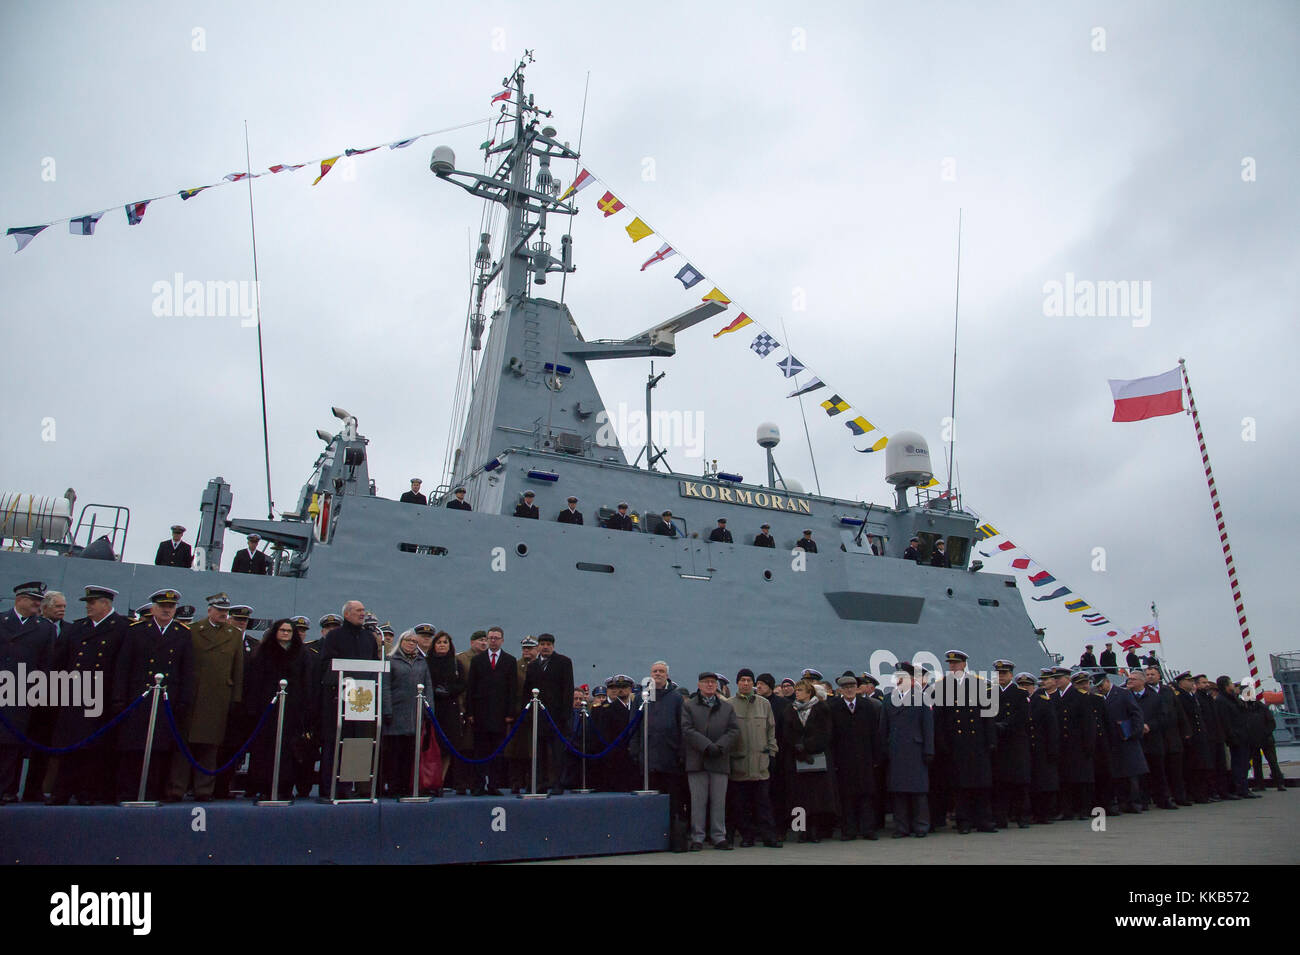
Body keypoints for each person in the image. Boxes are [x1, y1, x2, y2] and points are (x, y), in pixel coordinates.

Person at [112, 589, 196, 802]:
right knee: (132, 748)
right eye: (162, 607)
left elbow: (187, 670)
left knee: (160, 749)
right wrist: (119, 697)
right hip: (138, 699)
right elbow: (123, 667)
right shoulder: (137, 631)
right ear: (153, 609)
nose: (167, 610)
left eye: (171, 607)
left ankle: (154, 791)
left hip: (168, 700)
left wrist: (185, 700)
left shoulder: (183, 633)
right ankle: (128, 791)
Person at [45, 586, 127, 805]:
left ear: (106, 604)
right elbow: (60, 662)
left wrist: (118, 699)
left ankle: (88, 791)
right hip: (73, 695)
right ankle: (61, 791)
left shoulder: (122, 628)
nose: (88, 606)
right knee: (69, 746)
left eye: (93, 602)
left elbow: (122, 667)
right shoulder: (77, 628)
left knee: (94, 749)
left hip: (101, 697)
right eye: (88, 602)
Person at [168, 592, 244, 801]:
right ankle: (177, 788)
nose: (222, 614)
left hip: (217, 698)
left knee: (210, 748)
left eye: (225, 611)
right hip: (193, 695)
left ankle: (204, 790)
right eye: (219, 610)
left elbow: (237, 668)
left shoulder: (234, 634)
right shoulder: (193, 631)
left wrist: (235, 698)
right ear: (209, 610)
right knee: (183, 747)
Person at [316, 600, 382, 797]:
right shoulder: (335, 636)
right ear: (347, 614)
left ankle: (350, 785)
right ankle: (330, 788)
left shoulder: (369, 638)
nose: (363, 613)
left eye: (363, 610)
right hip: (340, 698)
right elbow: (327, 663)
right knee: (335, 741)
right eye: (358, 610)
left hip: (362, 697)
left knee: (358, 741)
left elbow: (373, 664)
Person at [1, 583, 57, 801]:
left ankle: (6, 790)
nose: (37, 603)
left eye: (39, 599)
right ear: (19, 599)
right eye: (33, 599)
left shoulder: (44, 628)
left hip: (20, 694)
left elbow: (46, 663)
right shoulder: (2, 621)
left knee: (11, 744)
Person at [244, 619, 310, 800]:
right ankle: (264, 786)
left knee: (289, 751)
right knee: (266, 750)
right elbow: (256, 681)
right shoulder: (264, 652)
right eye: (282, 630)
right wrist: (253, 706)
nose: (286, 633)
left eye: (289, 630)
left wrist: (304, 708)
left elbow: (306, 682)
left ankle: (285, 787)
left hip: (292, 709)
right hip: (268, 709)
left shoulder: (301, 654)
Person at [933, 650, 996, 833]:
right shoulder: (942, 687)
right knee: (961, 787)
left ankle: (984, 820)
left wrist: (991, 740)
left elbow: (988, 716)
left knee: (981, 785)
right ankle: (964, 821)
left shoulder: (979, 684)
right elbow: (940, 720)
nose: (952, 667)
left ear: (964, 664)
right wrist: (943, 744)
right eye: (950, 664)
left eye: (956, 663)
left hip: (977, 743)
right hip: (956, 744)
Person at [681, 672, 740, 850]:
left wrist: (719, 746)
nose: (709, 685)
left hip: (719, 760)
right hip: (697, 761)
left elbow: (734, 731)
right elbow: (687, 729)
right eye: (706, 682)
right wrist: (707, 746)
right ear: (698, 685)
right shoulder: (689, 706)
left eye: (713, 683)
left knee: (718, 801)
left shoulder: (726, 707)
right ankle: (697, 837)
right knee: (698, 801)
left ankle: (718, 836)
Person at [630, 661, 688, 840]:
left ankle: (672, 836)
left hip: (670, 758)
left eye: (661, 671)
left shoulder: (676, 697)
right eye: (655, 671)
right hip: (648, 758)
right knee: (650, 800)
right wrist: (634, 749)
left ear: (667, 675)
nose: (658, 674)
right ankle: (650, 836)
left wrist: (681, 752)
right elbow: (634, 725)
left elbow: (682, 726)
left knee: (672, 801)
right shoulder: (642, 697)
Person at [879, 662, 934, 837]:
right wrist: (883, 749)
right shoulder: (888, 699)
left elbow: (928, 727)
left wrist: (929, 750)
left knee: (918, 792)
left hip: (915, 750)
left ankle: (921, 826)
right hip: (896, 750)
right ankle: (901, 827)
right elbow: (883, 727)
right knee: (898, 792)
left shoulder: (922, 698)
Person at [728, 669, 779, 848]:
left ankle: (769, 836)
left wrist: (772, 752)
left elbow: (771, 730)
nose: (746, 683)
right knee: (741, 806)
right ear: (737, 683)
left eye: (749, 680)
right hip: (739, 764)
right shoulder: (729, 704)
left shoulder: (764, 704)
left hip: (760, 764)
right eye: (742, 680)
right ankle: (747, 837)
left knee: (763, 804)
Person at [779, 678, 836, 841]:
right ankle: (801, 830)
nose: (797, 693)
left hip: (816, 757)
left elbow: (825, 733)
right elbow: (787, 733)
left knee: (816, 798)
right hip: (796, 758)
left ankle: (815, 830)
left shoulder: (821, 708)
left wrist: (808, 747)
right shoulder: (790, 710)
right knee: (799, 797)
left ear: (809, 692)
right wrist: (798, 749)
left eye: (800, 690)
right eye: (796, 690)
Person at [826, 672, 880, 840]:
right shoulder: (834, 708)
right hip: (844, 759)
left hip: (865, 758)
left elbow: (875, 733)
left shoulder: (867, 706)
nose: (849, 690)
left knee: (866, 795)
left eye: (851, 687)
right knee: (846, 797)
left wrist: (876, 757)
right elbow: (831, 736)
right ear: (840, 690)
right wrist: (833, 760)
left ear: (857, 689)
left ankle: (867, 829)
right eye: (845, 688)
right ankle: (849, 830)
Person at [465, 626, 517, 795]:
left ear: (502, 640)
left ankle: (494, 785)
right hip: (480, 714)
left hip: (500, 715)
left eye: (497, 638)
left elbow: (512, 689)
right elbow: (471, 688)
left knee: (497, 752)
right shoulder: (478, 661)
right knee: (480, 751)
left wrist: (510, 713)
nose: (493, 641)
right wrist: (470, 712)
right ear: (487, 640)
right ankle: (479, 785)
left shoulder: (509, 661)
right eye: (491, 638)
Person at [524, 632, 574, 794]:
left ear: (553, 646)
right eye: (543, 644)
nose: (545, 647)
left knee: (557, 753)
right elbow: (527, 691)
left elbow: (567, 690)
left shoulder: (564, 663)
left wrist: (566, 715)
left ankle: (558, 783)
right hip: (539, 717)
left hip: (557, 716)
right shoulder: (532, 666)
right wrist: (529, 714)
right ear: (538, 646)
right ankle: (541, 782)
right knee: (540, 752)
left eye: (548, 644)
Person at [382, 630, 427, 797]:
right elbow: (385, 687)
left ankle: (406, 786)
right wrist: (387, 709)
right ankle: (393, 786)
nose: (411, 644)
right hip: (395, 714)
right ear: (401, 642)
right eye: (408, 640)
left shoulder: (421, 662)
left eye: (414, 642)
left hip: (414, 714)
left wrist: (429, 712)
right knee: (394, 754)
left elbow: (427, 686)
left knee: (410, 755)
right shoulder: (391, 661)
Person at [1100, 671, 1148, 813]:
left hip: (1127, 739)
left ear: (1107, 681)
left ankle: (1135, 803)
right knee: (1118, 775)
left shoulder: (1123, 694)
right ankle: (1123, 802)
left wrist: (1133, 733)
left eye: (1101, 685)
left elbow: (1136, 714)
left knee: (1131, 775)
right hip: (1112, 741)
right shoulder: (1100, 697)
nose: (1100, 688)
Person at [991, 660, 1032, 829]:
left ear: (1011, 675)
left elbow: (1022, 717)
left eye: (1004, 674)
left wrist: (1005, 725)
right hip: (998, 744)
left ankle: (1023, 816)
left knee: (1019, 784)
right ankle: (1000, 818)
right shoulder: (990, 694)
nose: (1001, 677)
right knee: (1000, 784)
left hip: (1015, 743)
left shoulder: (1020, 694)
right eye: (998, 673)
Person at [1149, 666, 1191, 806]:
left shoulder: (1167, 690)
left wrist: (1185, 730)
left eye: (1153, 674)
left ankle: (1180, 796)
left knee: (1176, 769)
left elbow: (1179, 711)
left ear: (1159, 676)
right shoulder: (1146, 692)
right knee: (1161, 771)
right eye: (1147, 674)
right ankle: (1163, 798)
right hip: (1157, 737)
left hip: (1172, 736)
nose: (1150, 676)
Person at [1023, 670, 1060, 824]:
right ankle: (1034, 812)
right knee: (1032, 783)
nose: (1024, 688)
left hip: (1042, 748)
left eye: (1027, 685)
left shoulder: (1043, 701)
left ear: (1033, 687)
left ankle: (1045, 813)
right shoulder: (1020, 702)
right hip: (1027, 749)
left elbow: (1052, 728)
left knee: (1045, 782)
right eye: (1021, 686)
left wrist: (1052, 750)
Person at [505, 636, 540, 793]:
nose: (527, 651)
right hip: (518, 714)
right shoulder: (515, 666)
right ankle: (516, 782)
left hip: (536, 714)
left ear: (537, 649)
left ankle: (532, 781)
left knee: (533, 751)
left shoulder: (541, 666)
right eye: (524, 648)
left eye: (530, 648)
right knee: (516, 751)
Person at [594, 675, 640, 792]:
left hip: (635, 753)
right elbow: (605, 735)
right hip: (617, 755)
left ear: (630, 689)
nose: (620, 690)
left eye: (624, 687)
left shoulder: (637, 708)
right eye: (618, 687)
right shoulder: (608, 709)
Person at [1214, 677, 1254, 799]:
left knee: (1244, 763)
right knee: (1238, 763)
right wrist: (1232, 736)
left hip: (1243, 735)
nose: (1233, 685)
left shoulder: (1232, 699)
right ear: (1226, 686)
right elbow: (1226, 722)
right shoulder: (1222, 701)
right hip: (1236, 737)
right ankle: (1240, 788)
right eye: (1231, 683)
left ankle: (1244, 787)